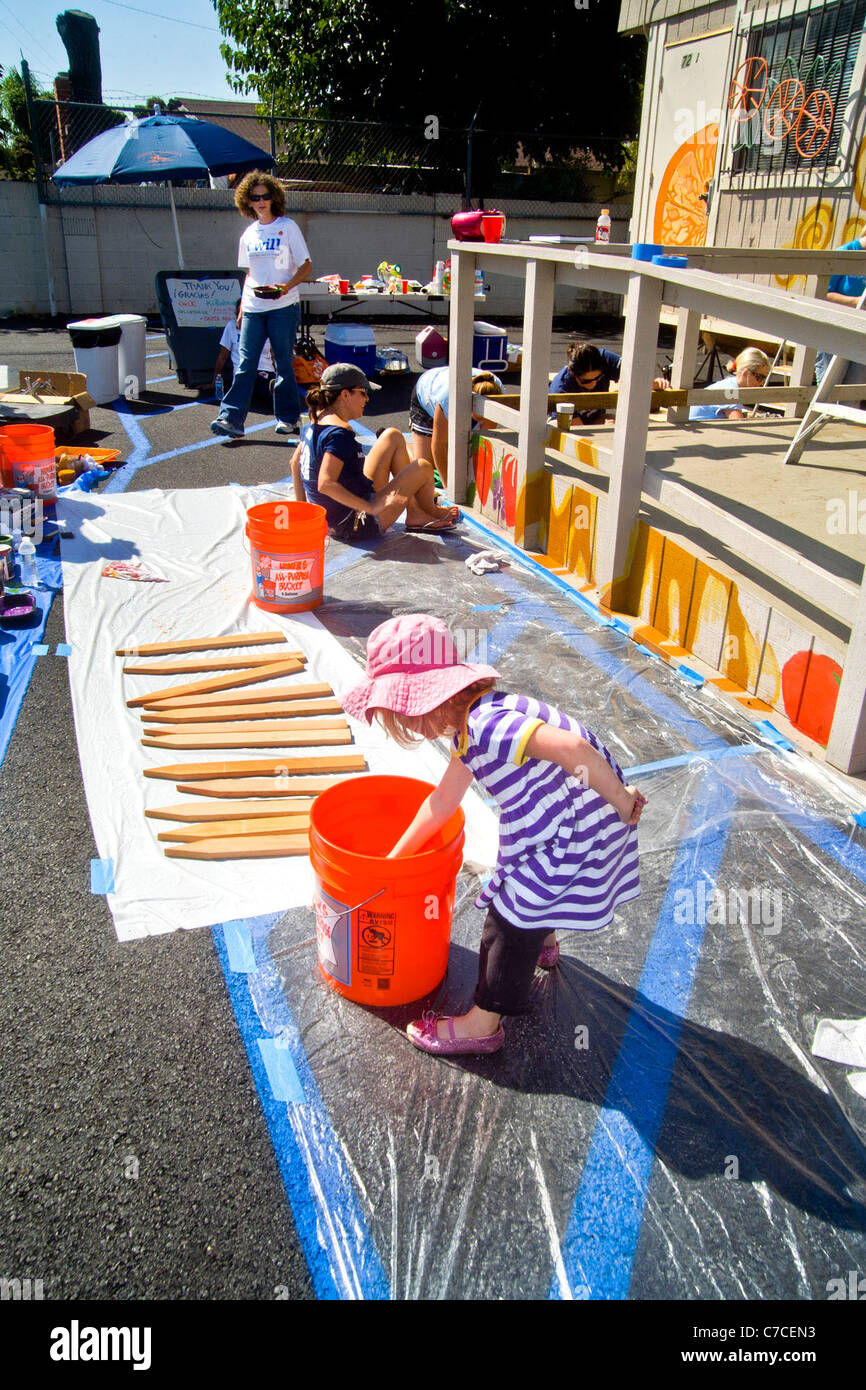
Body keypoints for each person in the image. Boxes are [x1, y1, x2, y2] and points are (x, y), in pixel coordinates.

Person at [341, 613, 646, 1057]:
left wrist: (621, 799)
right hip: (567, 819)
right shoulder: (472, 724)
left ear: (434, 696)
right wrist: (392, 861)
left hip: (574, 829)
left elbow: (572, 749)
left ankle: (482, 1025)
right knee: (536, 891)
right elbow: (442, 802)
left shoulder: (487, 726)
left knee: (507, 917)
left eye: (406, 715)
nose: (410, 728)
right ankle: (544, 943)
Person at [290, 363, 460, 540]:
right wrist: (370, 508)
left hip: (337, 518)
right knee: (423, 467)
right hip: (356, 523)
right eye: (363, 393)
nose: (367, 399)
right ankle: (425, 513)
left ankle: (415, 512)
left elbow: (295, 463)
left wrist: (306, 513)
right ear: (345, 395)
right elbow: (325, 484)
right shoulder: (339, 433)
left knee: (392, 436)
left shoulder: (317, 420)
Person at [211, 170, 311, 440]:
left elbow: (306, 266)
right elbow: (249, 273)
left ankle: (288, 418)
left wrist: (285, 287)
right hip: (254, 306)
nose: (261, 201)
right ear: (247, 201)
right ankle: (230, 418)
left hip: (283, 306)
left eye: (266, 196)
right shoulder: (248, 234)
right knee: (245, 363)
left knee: (283, 364)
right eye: (255, 197)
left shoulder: (288, 227)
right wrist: (243, 306)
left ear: (274, 197)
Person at [408, 367, 503, 488]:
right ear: (471, 404)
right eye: (479, 417)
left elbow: (482, 446)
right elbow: (438, 444)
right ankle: (403, 446)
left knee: (457, 464)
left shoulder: (498, 394)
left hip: (452, 393)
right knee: (425, 468)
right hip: (427, 391)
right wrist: (448, 487)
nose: (482, 421)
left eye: (484, 418)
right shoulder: (449, 400)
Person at [550, 341, 669, 425]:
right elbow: (577, 427)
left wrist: (653, 384)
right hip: (566, 424)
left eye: (598, 377)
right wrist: (601, 428)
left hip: (595, 417)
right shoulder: (561, 388)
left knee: (622, 424)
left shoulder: (604, 358)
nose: (594, 384)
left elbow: (635, 377)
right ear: (573, 373)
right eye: (586, 381)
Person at [815, 233, 866, 385]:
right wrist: (856, 301)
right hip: (834, 329)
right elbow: (821, 293)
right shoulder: (845, 253)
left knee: (855, 385)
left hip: (861, 332)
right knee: (828, 383)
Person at [210, 300, 275, 406]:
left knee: (264, 386)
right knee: (247, 386)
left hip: (264, 369)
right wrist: (214, 381)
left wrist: (276, 372)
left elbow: (271, 354)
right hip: (243, 370)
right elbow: (223, 356)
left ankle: (274, 391)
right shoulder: (232, 326)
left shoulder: (265, 326)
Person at [688, 346, 771, 421]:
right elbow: (739, 423)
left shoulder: (730, 383)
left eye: (764, 378)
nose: (762, 383)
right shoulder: (731, 390)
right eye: (760, 377)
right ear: (746, 373)